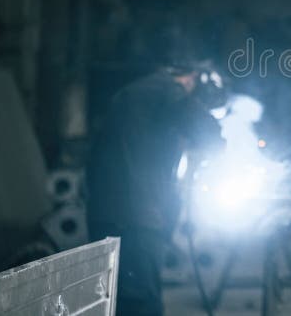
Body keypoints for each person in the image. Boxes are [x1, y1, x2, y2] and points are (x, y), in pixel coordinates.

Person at [86, 63, 226, 315]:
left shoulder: (135, 93)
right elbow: (205, 130)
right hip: (135, 218)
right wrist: (217, 142)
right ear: (193, 78)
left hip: (106, 215)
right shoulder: (167, 90)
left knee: (113, 299)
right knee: (140, 303)